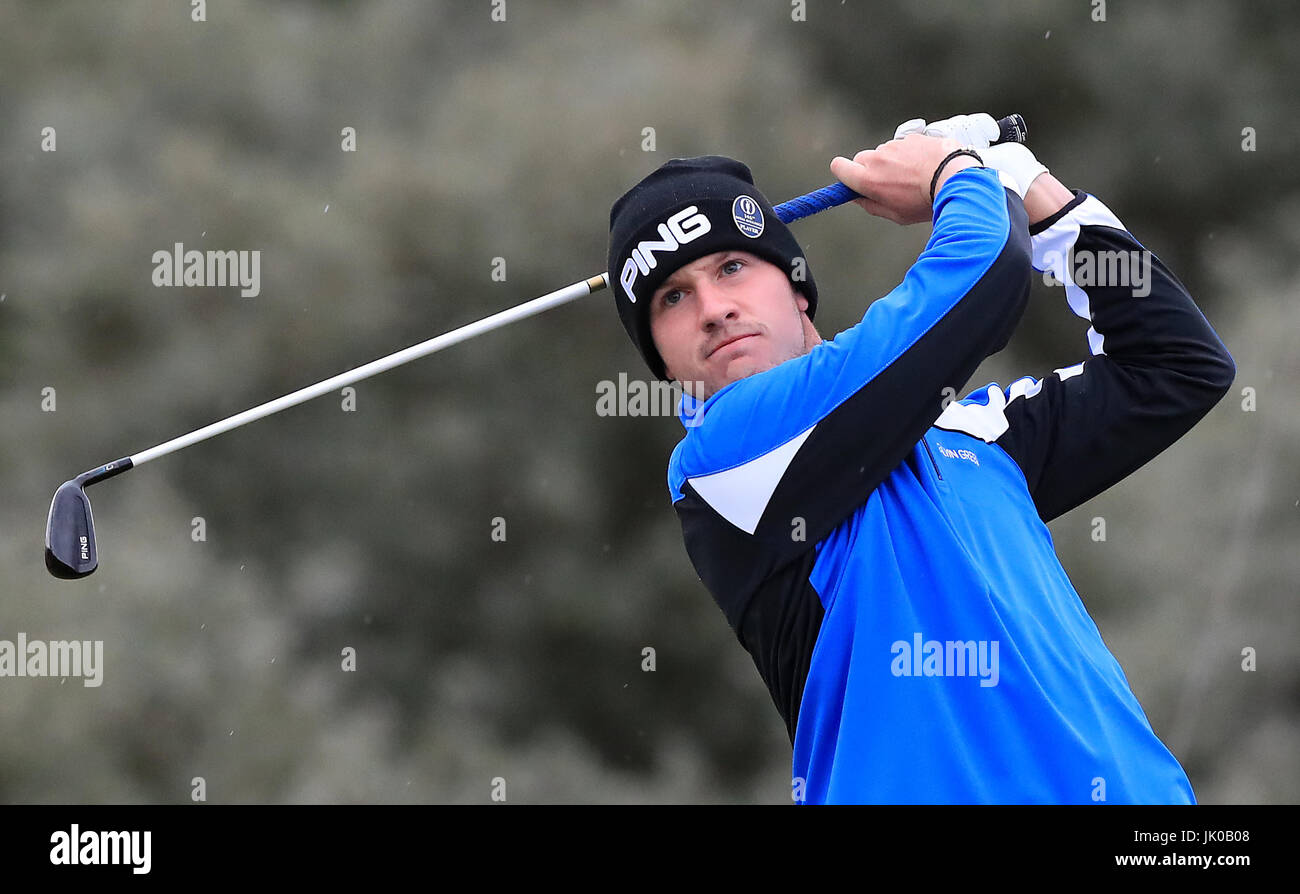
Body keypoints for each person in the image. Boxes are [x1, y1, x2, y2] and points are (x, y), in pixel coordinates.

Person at [605, 113, 1236, 805]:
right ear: (662, 364)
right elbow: (984, 269)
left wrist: (1030, 185)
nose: (714, 310)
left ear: (797, 287)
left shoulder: (975, 437)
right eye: (672, 297)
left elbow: (1176, 364)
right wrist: (954, 173)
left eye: (731, 267)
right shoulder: (721, 461)